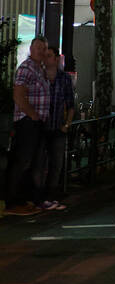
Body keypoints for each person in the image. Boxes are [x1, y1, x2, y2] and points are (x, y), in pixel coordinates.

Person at [5, 36, 49, 216]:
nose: (41, 51)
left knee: (30, 162)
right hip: (27, 122)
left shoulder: (40, 69)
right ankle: (13, 202)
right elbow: (18, 95)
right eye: (38, 48)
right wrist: (32, 115)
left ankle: (23, 199)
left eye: (44, 48)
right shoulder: (26, 68)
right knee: (22, 161)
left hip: (36, 122)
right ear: (31, 49)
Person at [33, 46, 73, 210]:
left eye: (49, 56)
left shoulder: (64, 78)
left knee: (56, 164)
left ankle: (50, 196)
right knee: (40, 163)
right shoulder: (39, 76)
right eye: (45, 56)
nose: (46, 59)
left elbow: (71, 103)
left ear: (56, 58)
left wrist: (66, 125)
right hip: (41, 127)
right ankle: (39, 197)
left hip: (57, 126)